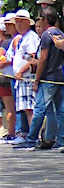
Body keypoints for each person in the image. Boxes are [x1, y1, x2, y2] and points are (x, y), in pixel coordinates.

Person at [15, 6, 64, 151]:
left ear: (45, 19)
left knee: (39, 108)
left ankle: (31, 139)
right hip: (60, 76)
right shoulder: (61, 34)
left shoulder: (47, 35)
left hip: (48, 78)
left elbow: (43, 58)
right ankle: (61, 139)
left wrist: (37, 78)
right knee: (60, 110)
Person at [10, 9, 40, 145]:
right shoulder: (22, 37)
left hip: (27, 78)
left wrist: (21, 71)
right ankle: (28, 135)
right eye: (17, 22)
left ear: (28, 22)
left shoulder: (31, 37)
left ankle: (33, 137)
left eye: (21, 22)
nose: (18, 25)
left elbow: (33, 58)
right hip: (22, 79)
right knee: (25, 108)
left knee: (30, 109)